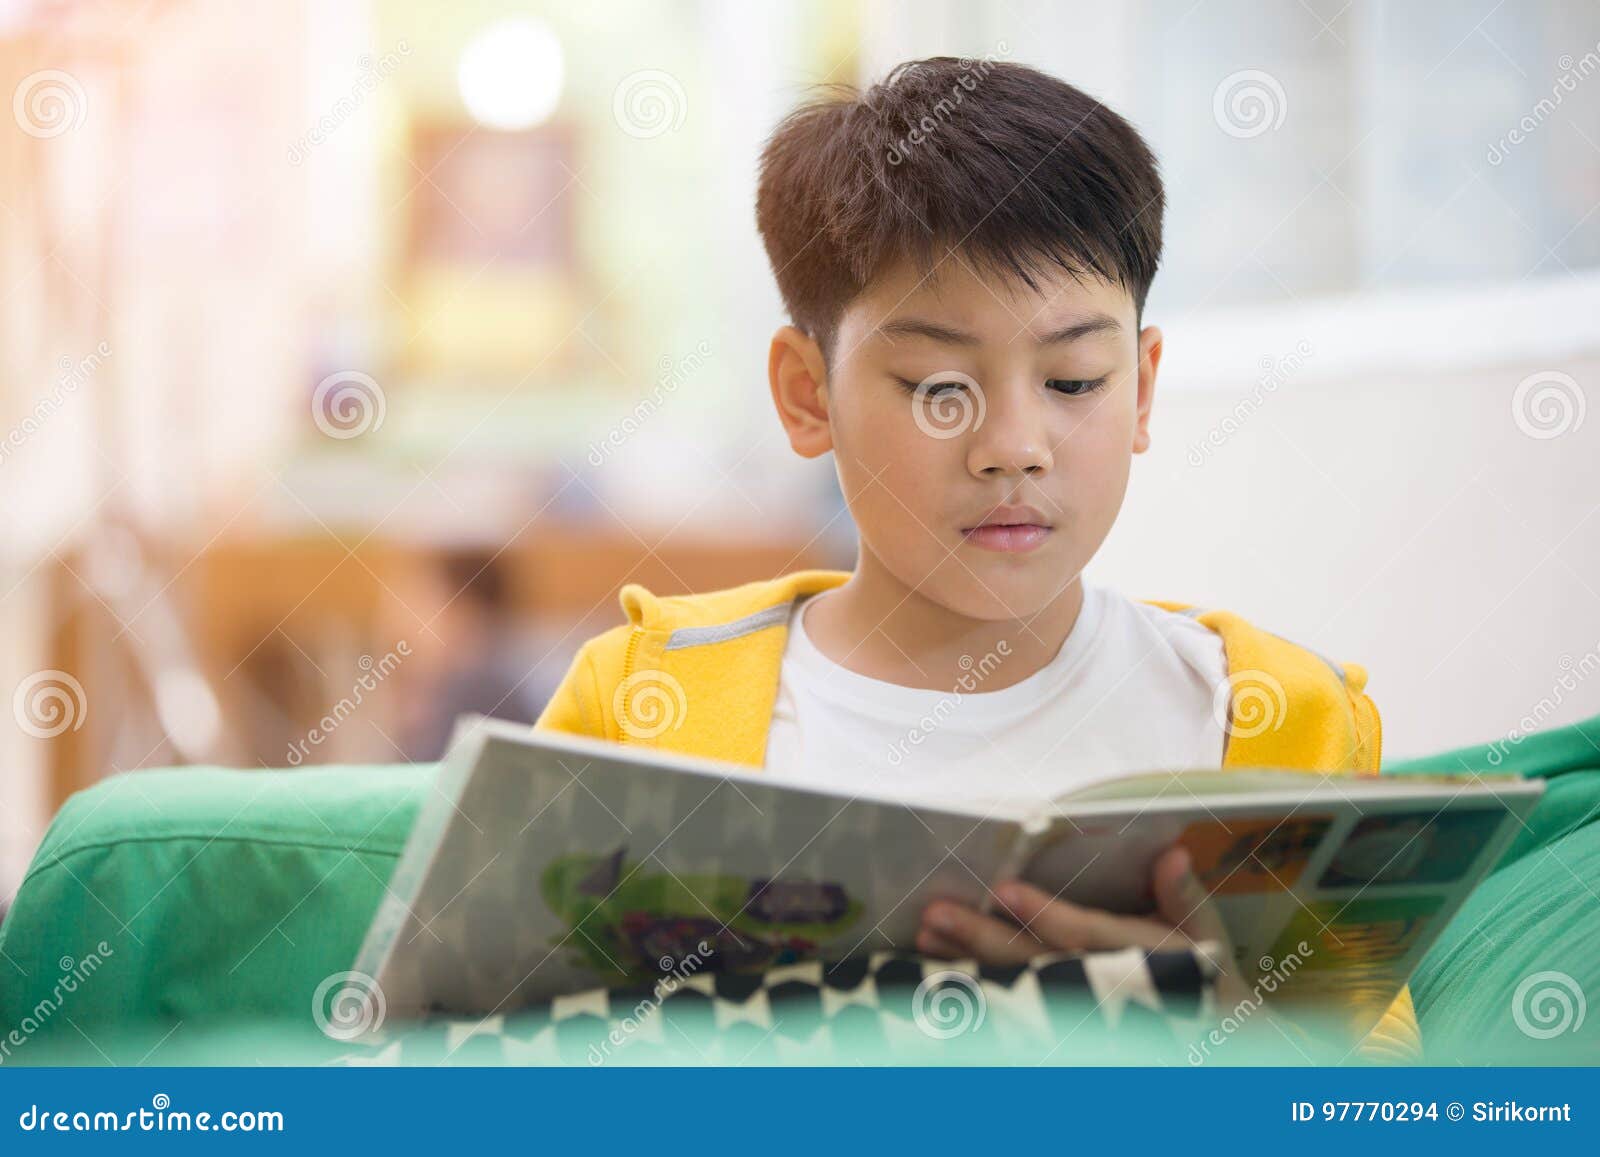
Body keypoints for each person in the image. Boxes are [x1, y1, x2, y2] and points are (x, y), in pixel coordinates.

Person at [539, 57, 1415, 1062]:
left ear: (1141, 390)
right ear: (806, 393)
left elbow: (1385, 1096)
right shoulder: (646, 705)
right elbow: (479, 1044)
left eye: (1075, 379)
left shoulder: (1272, 721)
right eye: (936, 383)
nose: (1013, 443)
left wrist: (1227, 1036)